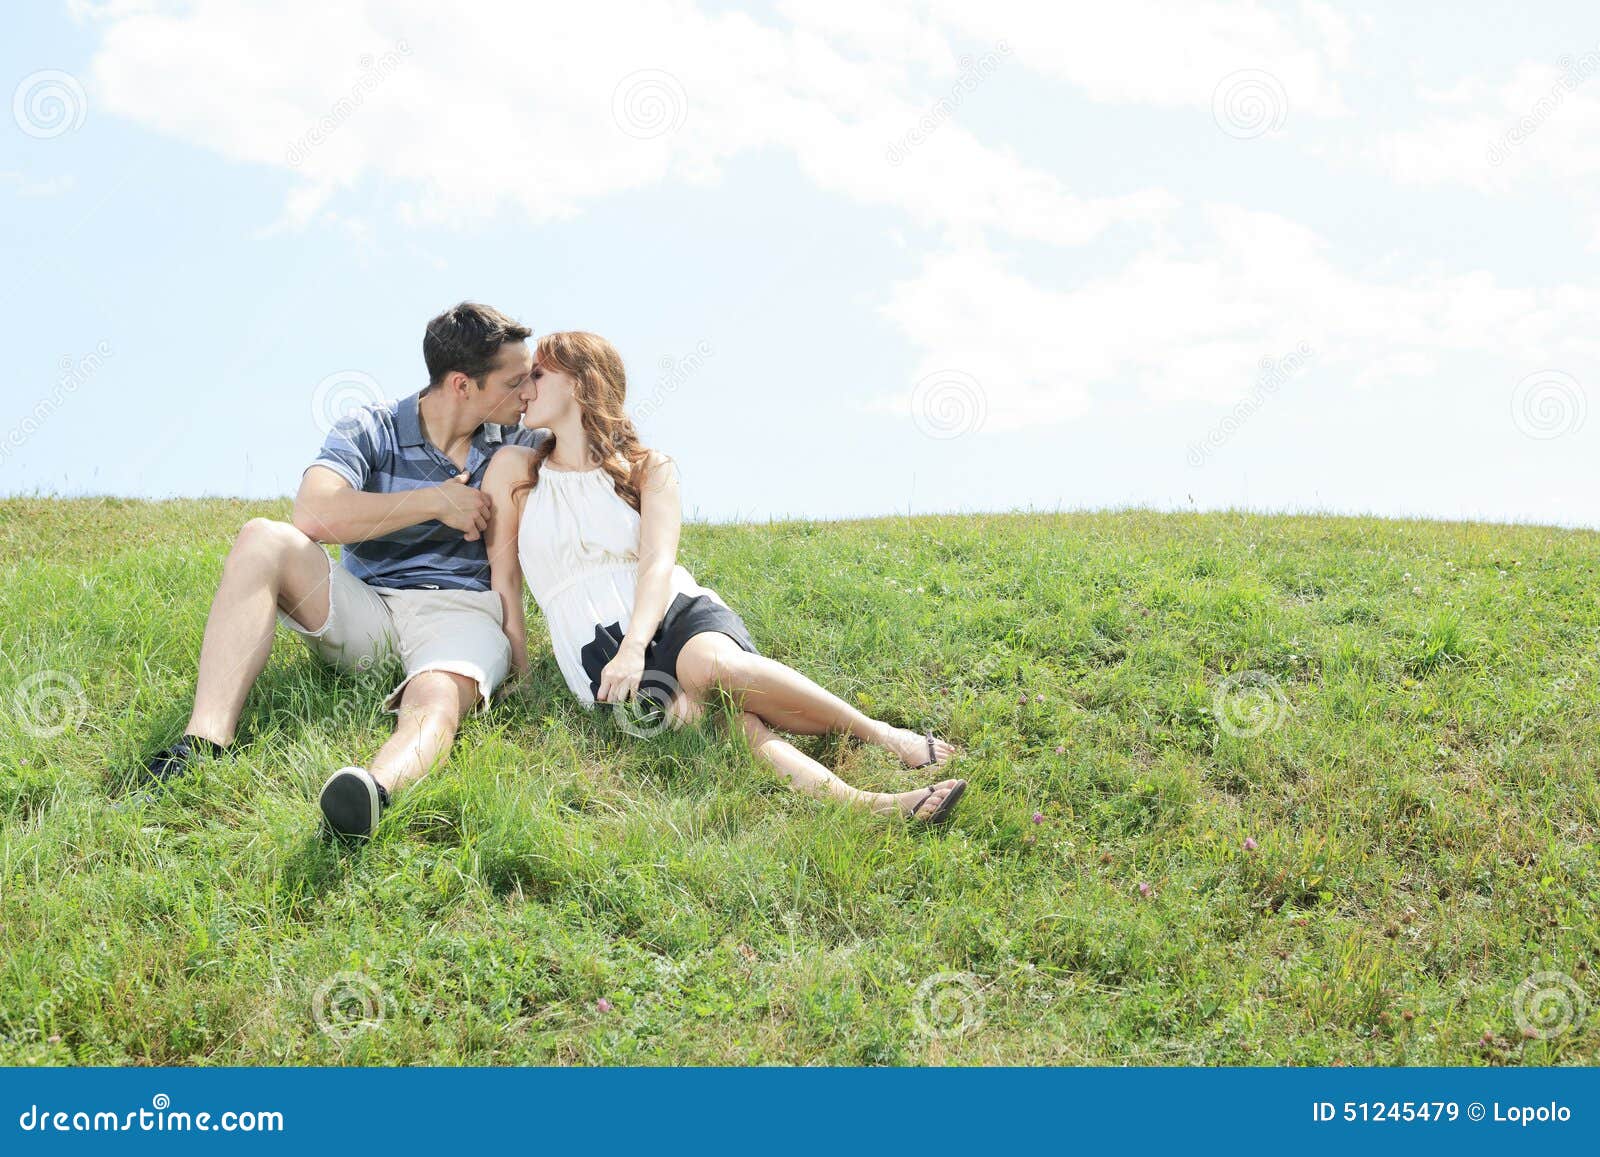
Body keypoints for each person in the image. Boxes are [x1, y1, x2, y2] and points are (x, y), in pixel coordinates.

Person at [480, 331, 967, 823]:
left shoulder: (650, 467)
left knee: (715, 671)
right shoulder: (515, 469)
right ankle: (872, 806)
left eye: (538, 375)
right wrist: (518, 668)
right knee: (723, 722)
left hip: (670, 611)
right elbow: (506, 581)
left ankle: (881, 735)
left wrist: (635, 648)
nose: (523, 389)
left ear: (582, 382)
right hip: (593, 644)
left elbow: (657, 564)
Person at [136, 302, 545, 838]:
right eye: (515, 382)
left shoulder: (519, 442)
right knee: (264, 537)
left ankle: (372, 790)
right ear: (463, 385)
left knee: (438, 694)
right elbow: (314, 513)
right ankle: (203, 742)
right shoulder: (372, 427)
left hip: (458, 613)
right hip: (366, 608)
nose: (527, 394)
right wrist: (434, 502)